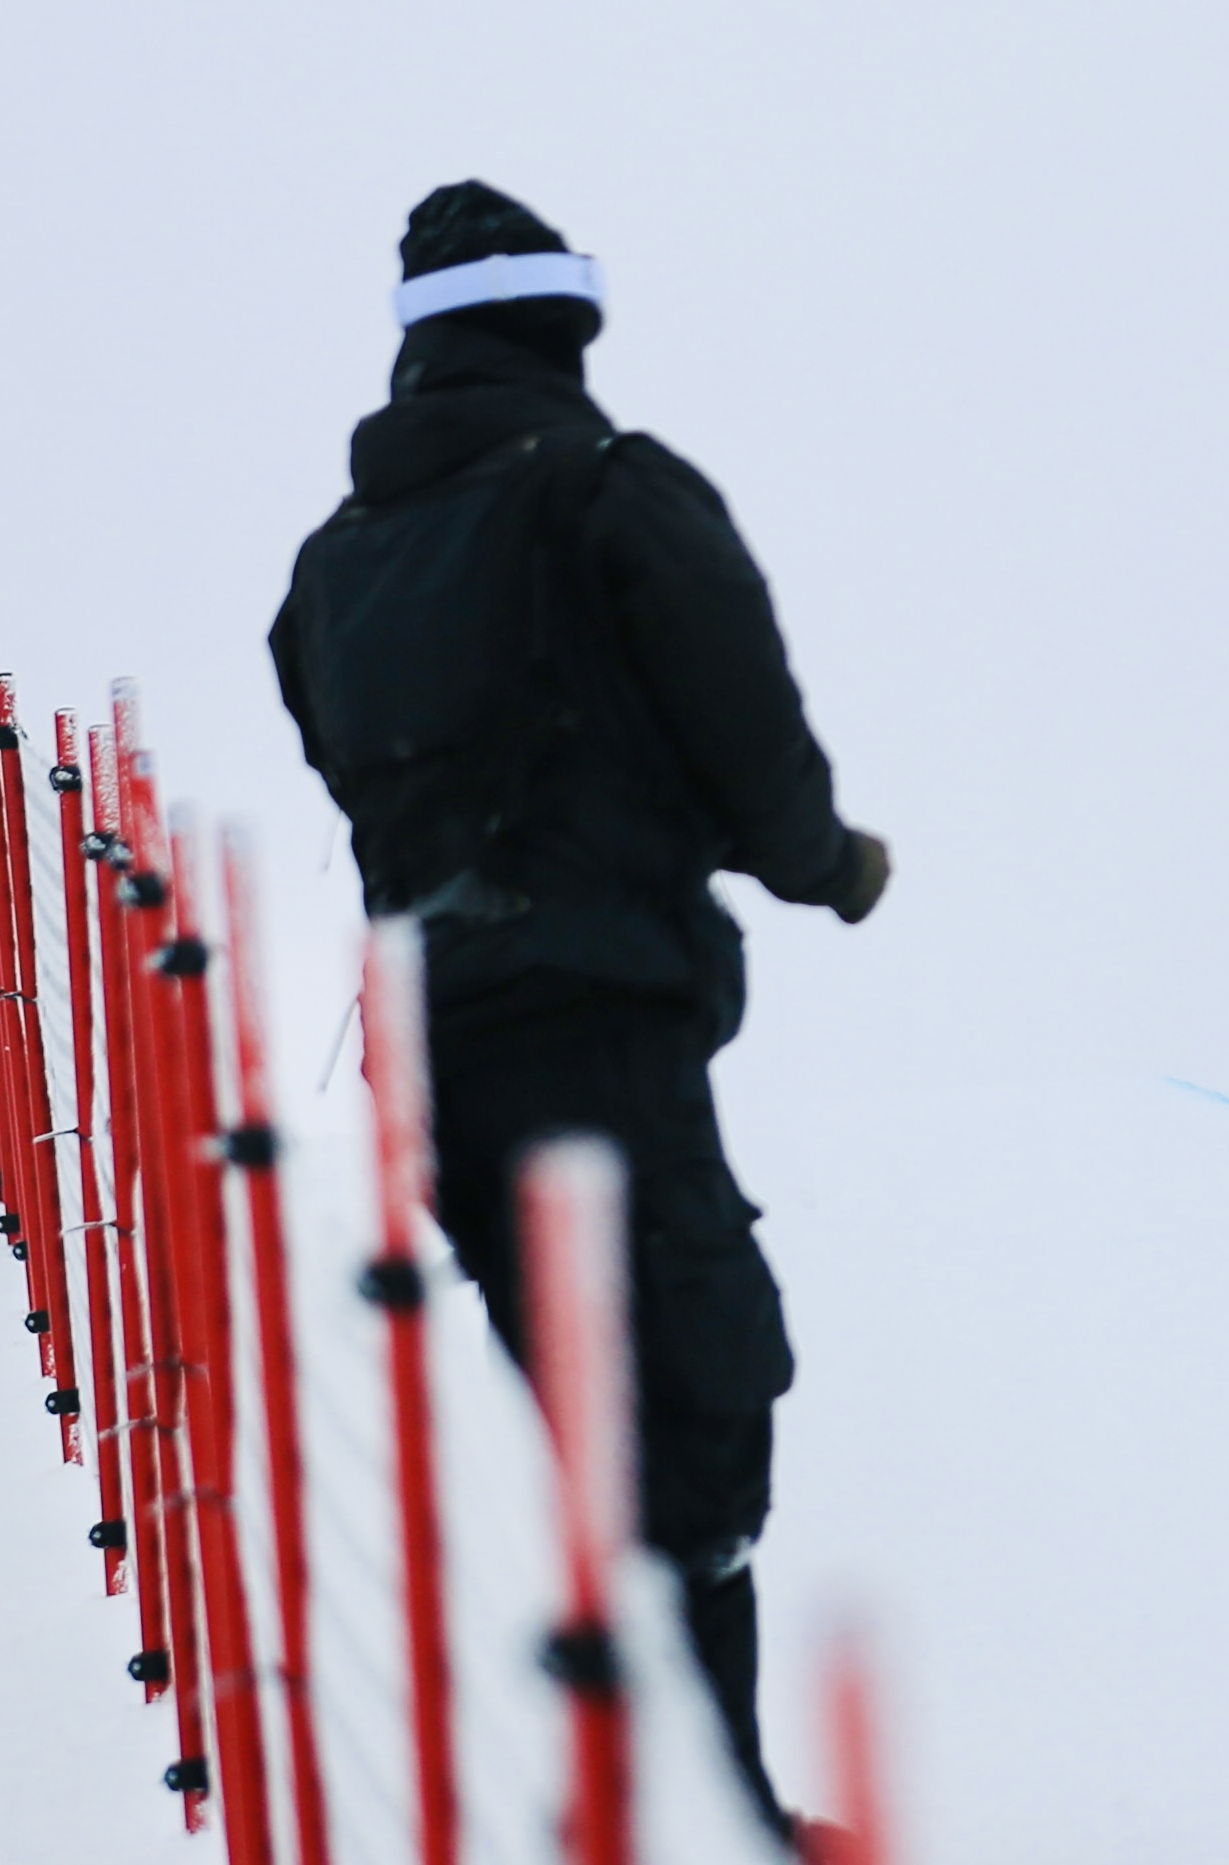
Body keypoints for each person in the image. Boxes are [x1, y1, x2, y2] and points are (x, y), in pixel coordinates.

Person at [270, 184, 891, 1823]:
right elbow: (748, 729)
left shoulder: (329, 569)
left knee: (511, 1405)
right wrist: (825, 860)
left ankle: (566, 1798)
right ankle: (720, 1807)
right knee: (684, 1389)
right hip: (603, 1015)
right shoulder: (613, 490)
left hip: (428, 1036)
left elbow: (346, 765)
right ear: (568, 326)